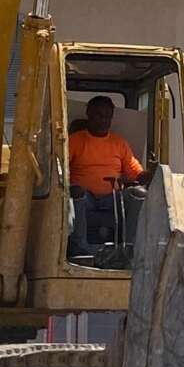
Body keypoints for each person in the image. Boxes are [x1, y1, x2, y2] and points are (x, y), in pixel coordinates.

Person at [66, 94, 145, 255]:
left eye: (107, 117)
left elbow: (136, 173)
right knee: (76, 192)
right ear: (88, 114)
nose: (103, 121)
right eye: (98, 116)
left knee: (139, 194)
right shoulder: (74, 141)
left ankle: (130, 247)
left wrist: (152, 175)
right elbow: (59, 168)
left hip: (112, 198)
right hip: (85, 198)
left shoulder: (119, 143)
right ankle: (80, 247)